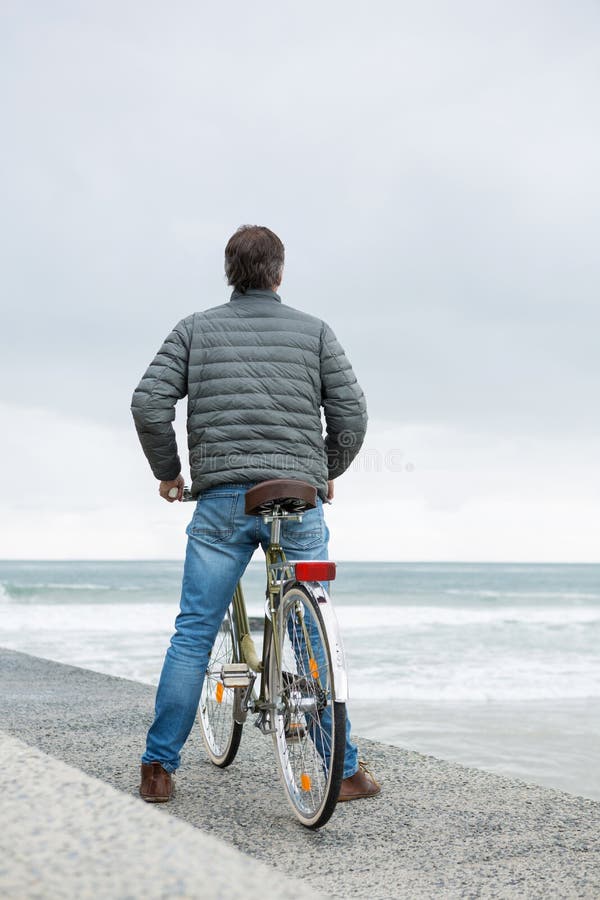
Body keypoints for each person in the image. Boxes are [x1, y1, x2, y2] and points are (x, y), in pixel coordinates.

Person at [131, 224, 380, 804]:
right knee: (312, 631)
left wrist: (168, 473)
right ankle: (341, 772)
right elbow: (353, 414)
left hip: (220, 498)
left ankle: (158, 770)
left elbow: (148, 402)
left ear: (229, 272)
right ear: (279, 272)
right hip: (296, 498)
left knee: (193, 633)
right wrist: (325, 472)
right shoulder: (315, 332)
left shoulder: (194, 329)